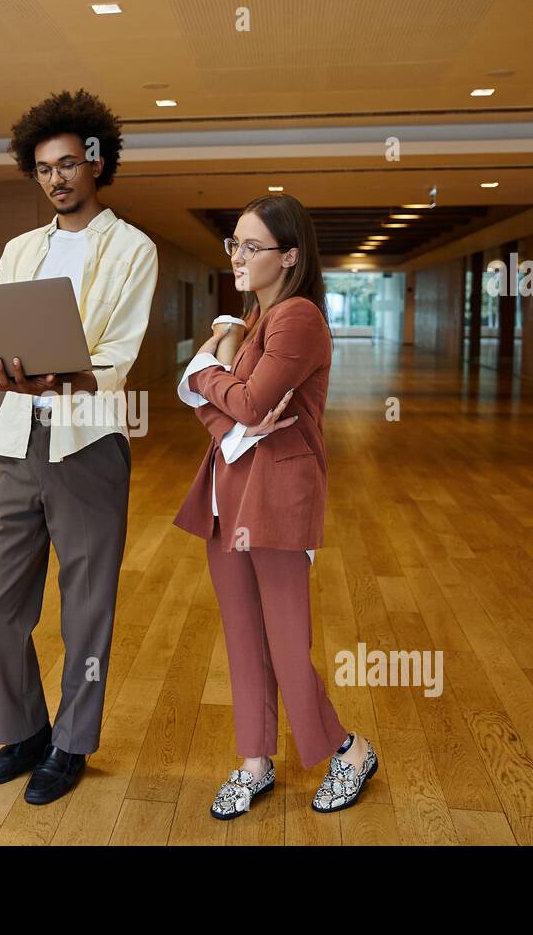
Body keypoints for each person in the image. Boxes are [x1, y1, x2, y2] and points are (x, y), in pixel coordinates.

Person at [0, 89, 158, 805]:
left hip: (86, 445)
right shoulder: (20, 249)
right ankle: (25, 733)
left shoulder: (133, 249)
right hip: (17, 438)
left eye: (69, 164)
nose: (57, 179)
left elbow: (116, 361)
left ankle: (71, 745)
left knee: (85, 609)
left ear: (97, 163)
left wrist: (57, 375)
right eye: (43, 168)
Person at [172, 193, 380, 819]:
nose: (237, 255)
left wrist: (203, 367)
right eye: (233, 243)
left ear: (290, 256)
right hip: (226, 490)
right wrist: (225, 398)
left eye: (252, 246)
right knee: (241, 634)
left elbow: (251, 405)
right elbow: (232, 413)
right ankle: (254, 760)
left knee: (287, 642)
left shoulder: (297, 318)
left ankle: (346, 750)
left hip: (277, 495)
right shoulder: (252, 320)